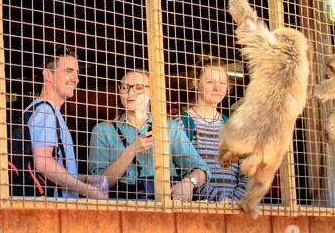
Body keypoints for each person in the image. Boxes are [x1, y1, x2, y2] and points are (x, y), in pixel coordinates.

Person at [88, 68, 208, 200]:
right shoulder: (102, 130)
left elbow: (202, 170)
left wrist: (189, 183)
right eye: (124, 87)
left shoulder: (168, 127)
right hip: (122, 206)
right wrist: (131, 151)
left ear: (152, 92)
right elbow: (98, 185)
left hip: (163, 206)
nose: (130, 93)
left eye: (138, 88)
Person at [26, 50, 109, 199]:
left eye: (77, 72)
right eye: (69, 71)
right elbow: (43, 164)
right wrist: (88, 191)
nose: (75, 79)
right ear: (48, 75)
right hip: (54, 211)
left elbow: (53, 167)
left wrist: (82, 180)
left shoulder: (49, 111)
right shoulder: (45, 112)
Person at [177, 56, 248, 203]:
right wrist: (220, 201)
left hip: (234, 211)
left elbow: (247, 171)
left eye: (222, 83)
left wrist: (235, 201)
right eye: (210, 82)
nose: (217, 88)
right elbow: (183, 170)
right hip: (198, 210)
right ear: (196, 84)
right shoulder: (182, 123)